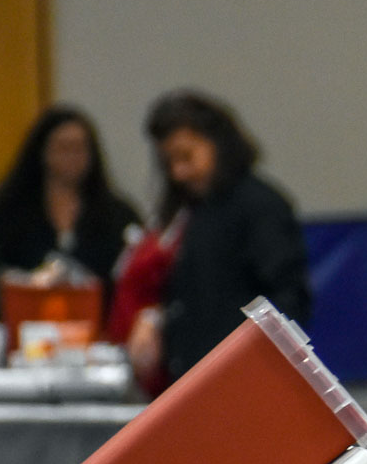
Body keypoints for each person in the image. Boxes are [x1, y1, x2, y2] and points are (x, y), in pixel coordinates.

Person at [126, 89, 308, 391]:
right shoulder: (189, 210)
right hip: (193, 378)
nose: (179, 172)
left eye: (187, 156)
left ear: (218, 143)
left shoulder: (261, 207)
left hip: (243, 382)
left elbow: (289, 301)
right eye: (169, 162)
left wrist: (252, 366)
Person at [0, 105, 141, 311]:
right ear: (42, 152)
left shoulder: (117, 215)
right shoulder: (9, 211)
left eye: (80, 148)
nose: (73, 157)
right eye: (64, 147)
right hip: (27, 328)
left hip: (97, 330)